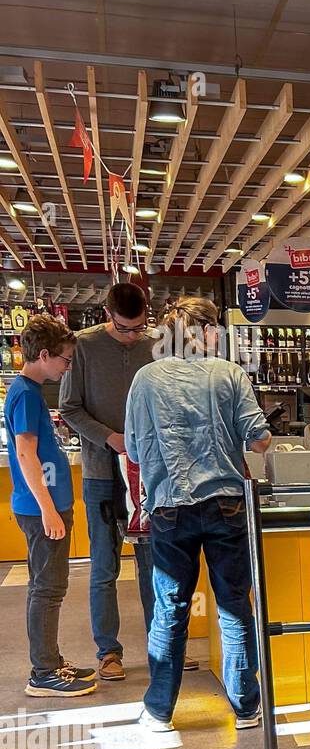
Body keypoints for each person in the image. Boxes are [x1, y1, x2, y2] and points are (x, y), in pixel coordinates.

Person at [124, 298, 272, 732]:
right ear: (206, 331)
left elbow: (132, 448)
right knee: (232, 606)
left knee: (170, 608)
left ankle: (158, 711)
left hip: (170, 507)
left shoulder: (145, 379)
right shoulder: (229, 373)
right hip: (226, 504)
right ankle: (246, 707)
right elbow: (259, 440)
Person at [59, 281, 160, 681]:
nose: (134, 335)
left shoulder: (155, 346)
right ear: (107, 316)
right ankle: (108, 652)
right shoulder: (82, 346)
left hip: (149, 476)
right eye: (125, 328)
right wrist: (108, 437)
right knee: (104, 566)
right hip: (102, 473)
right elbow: (69, 407)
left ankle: (162, 645)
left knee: (156, 567)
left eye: (139, 327)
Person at [4, 315, 96, 697]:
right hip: (41, 506)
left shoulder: (28, 390)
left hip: (46, 503)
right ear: (44, 354)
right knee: (47, 589)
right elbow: (25, 453)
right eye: (65, 359)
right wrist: (47, 507)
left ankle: (51, 661)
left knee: (48, 586)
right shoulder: (25, 393)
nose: (67, 366)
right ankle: (43, 671)